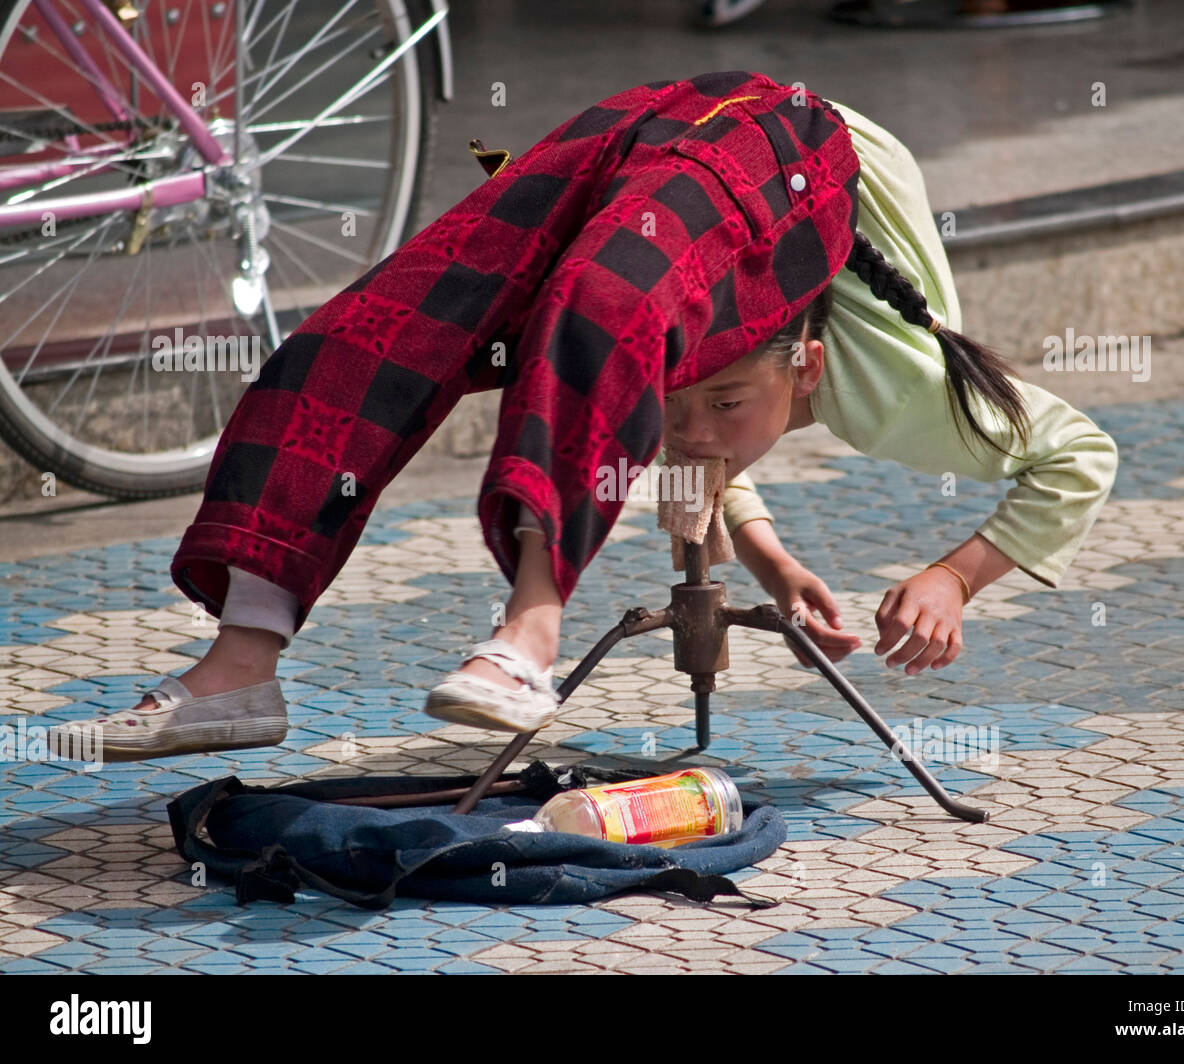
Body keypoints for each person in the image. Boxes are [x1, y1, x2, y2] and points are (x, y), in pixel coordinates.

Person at [59, 70, 1117, 761]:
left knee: (603, 308)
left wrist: (951, 577)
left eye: (722, 402)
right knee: (367, 335)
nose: (687, 435)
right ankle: (241, 668)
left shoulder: (901, 390)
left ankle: (530, 630)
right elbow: (693, 408)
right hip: (664, 120)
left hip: (783, 148)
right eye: (674, 405)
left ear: (807, 367)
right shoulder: (740, 372)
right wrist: (761, 548)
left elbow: (1079, 451)